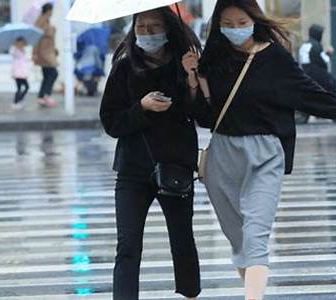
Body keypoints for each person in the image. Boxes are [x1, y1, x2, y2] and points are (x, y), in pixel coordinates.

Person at [184, 1, 336, 299]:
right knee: (239, 241)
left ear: (254, 20)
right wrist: (194, 84)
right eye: (228, 24)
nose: (235, 30)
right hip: (222, 156)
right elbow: (206, 118)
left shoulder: (274, 58)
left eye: (241, 22)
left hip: (265, 154)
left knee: (256, 235)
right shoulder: (212, 59)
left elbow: (308, 92)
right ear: (218, 25)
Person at [99, 7, 208, 300]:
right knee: (128, 245)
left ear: (168, 29)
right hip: (133, 170)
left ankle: (189, 294)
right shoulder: (125, 67)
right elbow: (111, 121)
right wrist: (141, 108)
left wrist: (192, 80)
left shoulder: (185, 63)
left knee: (182, 239)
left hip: (175, 166)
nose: (147, 33)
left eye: (154, 27)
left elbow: (203, 115)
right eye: (141, 27)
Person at [33, 3, 58, 108]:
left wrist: (55, 49)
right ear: (48, 10)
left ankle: (41, 97)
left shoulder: (47, 20)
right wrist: (34, 53)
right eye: (52, 10)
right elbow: (36, 37)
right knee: (53, 73)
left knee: (47, 75)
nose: (52, 12)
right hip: (43, 53)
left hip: (49, 51)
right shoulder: (41, 20)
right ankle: (46, 96)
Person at [10, 37, 30, 111]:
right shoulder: (15, 50)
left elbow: (24, 61)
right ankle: (16, 102)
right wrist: (15, 45)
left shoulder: (23, 51)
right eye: (21, 42)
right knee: (20, 88)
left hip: (23, 73)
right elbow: (12, 53)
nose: (22, 44)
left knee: (25, 87)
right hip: (18, 73)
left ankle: (18, 101)